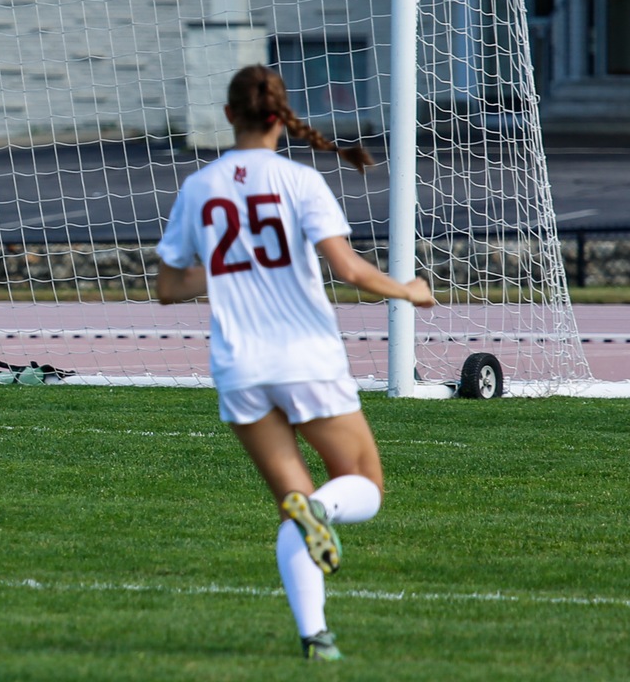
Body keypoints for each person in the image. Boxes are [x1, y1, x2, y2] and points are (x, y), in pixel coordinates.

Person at [152, 64, 435, 662]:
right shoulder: (300, 181)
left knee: (292, 500)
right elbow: (349, 269)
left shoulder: (199, 186)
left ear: (229, 116)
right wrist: (408, 289)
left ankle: (316, 636)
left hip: (239, 368)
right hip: (306, 358)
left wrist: (230, 266)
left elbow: (169, 287)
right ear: (280, 119)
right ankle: (322, 512)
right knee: (364, 484)